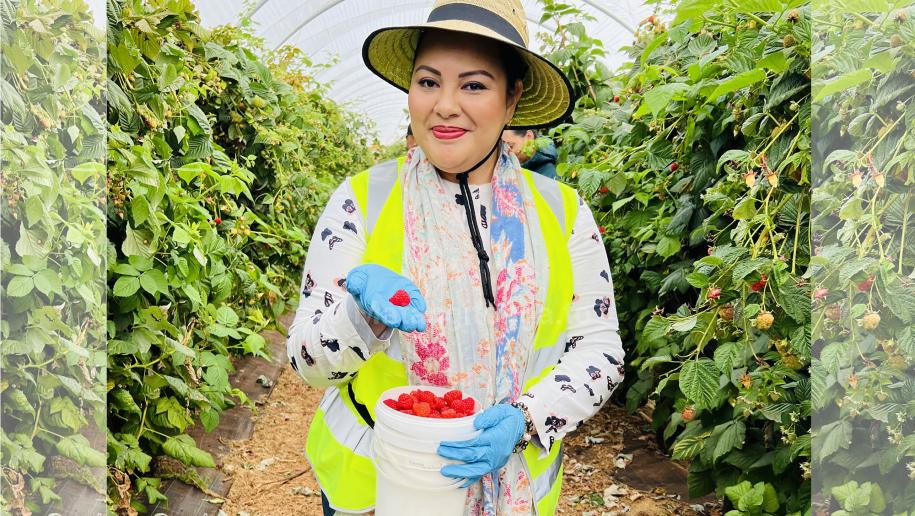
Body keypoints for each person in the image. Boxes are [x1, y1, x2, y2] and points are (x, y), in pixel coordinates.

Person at [286, 1, 624, 514]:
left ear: (512, 100)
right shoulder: (363, 200)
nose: (445, 105)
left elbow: (599, 348)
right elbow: (307, 361)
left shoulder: (563, 213)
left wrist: (527, 419)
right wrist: (359, 318)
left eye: (473, 85)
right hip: (381, 485)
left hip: (514, 487)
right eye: (428, 82)